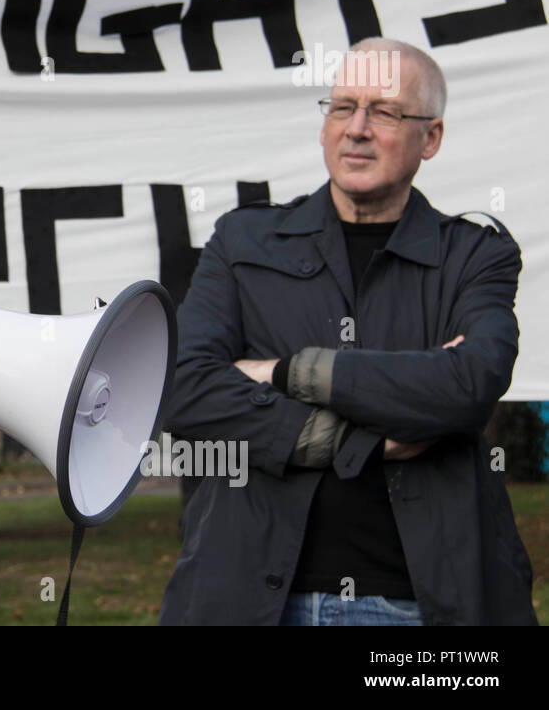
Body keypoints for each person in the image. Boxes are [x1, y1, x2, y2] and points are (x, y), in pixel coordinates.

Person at [159, 38, 536, 626]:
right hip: (246, 601)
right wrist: (354, 438)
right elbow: (183, 389)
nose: (356, 129)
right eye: (342, 107)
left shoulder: (474, 255)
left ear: (430, 137)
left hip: (417, 607)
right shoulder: (243, 243)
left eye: (384, 111)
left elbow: (467, 385)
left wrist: (286, 372)